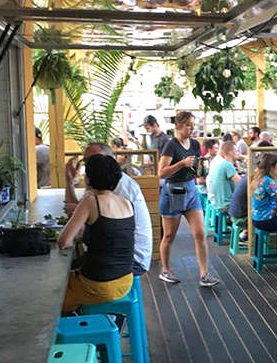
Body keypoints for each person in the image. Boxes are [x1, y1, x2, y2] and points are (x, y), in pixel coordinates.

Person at [59, 154, 134, 314]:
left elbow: (64, 241)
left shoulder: (91, 201)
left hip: (98, 285)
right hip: (125, 281)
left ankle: (74, 328)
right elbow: (108, 235)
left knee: (54, 292)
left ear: (89, 179)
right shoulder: (126, 203)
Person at [65, 142, 152, 275]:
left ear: (110, 161)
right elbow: (73, 211)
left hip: (131, 260)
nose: (91, 164)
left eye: (95, 158)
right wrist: (69, 181)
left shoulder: (122, 186)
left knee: (64, 275)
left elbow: (79, 218)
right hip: (113, 254)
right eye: (87, 160)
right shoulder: (99, 183)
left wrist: (79, 211)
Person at [158, 110, 219, 287]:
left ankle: (204, 273)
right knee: (169, 235)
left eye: (193, 124)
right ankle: (166, 269)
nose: (191, 128)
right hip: (174, 191)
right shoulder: (171, 145)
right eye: (188, 125)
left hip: (191, 190)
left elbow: (196, 167)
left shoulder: (194, 143)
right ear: (178, 125)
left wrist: (202, 168)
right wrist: (182, 163)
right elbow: (162, 172)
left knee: (200, 234)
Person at [251, 152, 277, 236]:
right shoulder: (268, 181)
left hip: (257, 217)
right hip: (265, 219)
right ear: (272, 167)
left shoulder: (260, 178)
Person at [207, 141, 240, 211]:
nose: (238, 153)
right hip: (226, 205)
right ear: (231, 152)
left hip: (218, 202)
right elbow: (240, 183)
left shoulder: (222, 163)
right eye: (236, 151)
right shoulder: (227, 164)